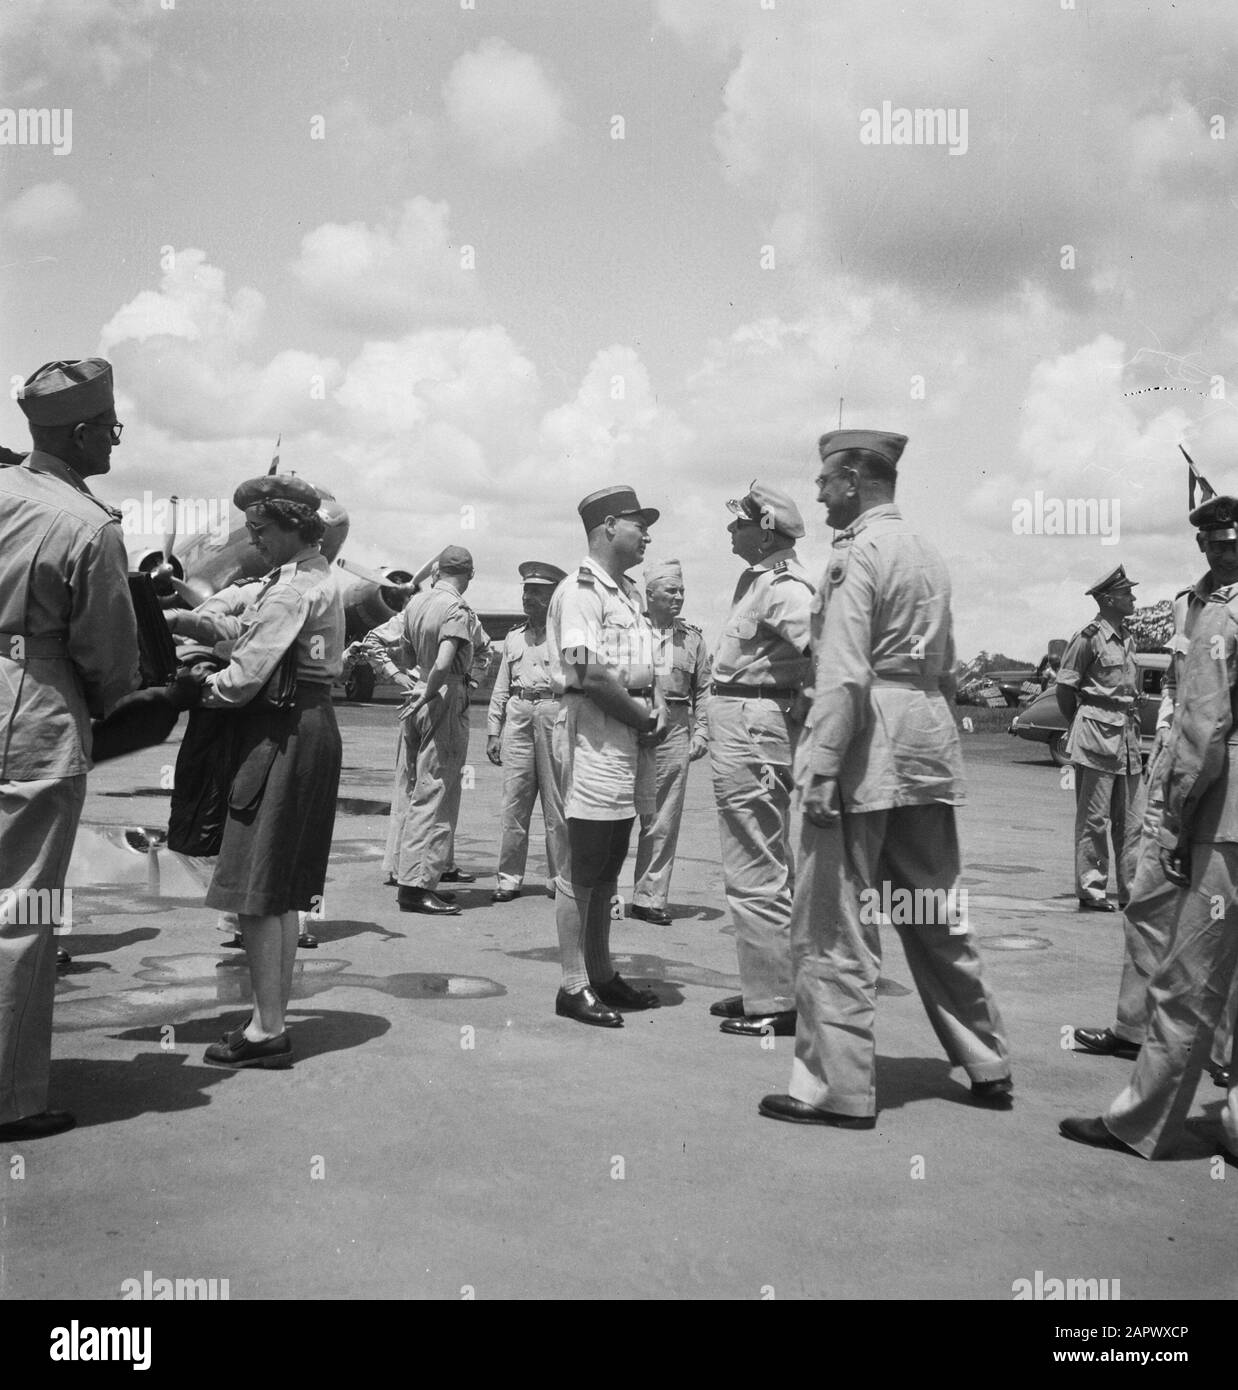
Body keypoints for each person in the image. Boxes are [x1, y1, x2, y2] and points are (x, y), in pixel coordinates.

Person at [759, 429, 1011, 1127]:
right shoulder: (927, 551)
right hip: (924, 741)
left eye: (825, 480)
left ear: (854, 480)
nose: (816, 493)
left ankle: (835, 1088)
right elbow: (951, 663)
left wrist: (820, 772)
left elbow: (844, 672)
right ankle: (986, 1059)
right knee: (934, 913)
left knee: (833, 924)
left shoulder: (856, 555)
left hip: (864, 746)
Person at [0, 359, 141, 1138]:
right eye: (110, 426)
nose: (116, 438)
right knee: (23, 913)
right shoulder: (87, 525)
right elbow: (108, 658)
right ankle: (11, 1099)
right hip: (32, 721)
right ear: (83, 431)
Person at [1060, 548, 1238, 1161]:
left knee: (1190, 974)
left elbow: (1208, 725)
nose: (1218, 553)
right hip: (1139, 751)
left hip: (1212, 802)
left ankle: (1141, 1121)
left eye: (1228, 544)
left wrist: (1179, 815)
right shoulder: (1194, 607)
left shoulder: (1220, 614)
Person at [165, 474, 344, 1069]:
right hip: (303, 727)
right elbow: (238, 620)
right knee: (277, 891)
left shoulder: (293, 590)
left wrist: (186, 690)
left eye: (262, 529)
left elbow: (243, 678)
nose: (253, 539)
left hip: (280, 731)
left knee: (256, 888)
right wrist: (182, 619)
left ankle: (268, 1031)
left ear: (294, 526)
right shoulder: (302, 579)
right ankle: (271, 1019)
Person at [546, 486, 668, 1026]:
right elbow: (590, 673)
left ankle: (600, 973)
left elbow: (646, 667)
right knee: (585, 861)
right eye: (639, 524)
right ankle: (572, 985)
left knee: (611, 859)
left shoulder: (627, 595)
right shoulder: (579, 592)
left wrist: (655, 705)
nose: (647, 534)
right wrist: (642, 717)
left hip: (625, 737)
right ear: (610, 525)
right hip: (595, 733)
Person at [707, 482, 814, 1037]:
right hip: (746, 728)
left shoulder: (785, 588)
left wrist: (802, 712)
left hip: (754, 733)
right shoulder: (757, 583)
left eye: (739, 521)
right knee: (760, 863)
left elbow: (826, 652)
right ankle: (766, 987)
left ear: (765, 528)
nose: (731, 529)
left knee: (757, 868)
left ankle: (775, 1002)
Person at [363, 546, 478, 916]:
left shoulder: (415, 604)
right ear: (469, 575)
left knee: (414, 788)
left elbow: (402, 652)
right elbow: (445, 662)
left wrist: (408, 684)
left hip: (417, 695)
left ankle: (406, 872)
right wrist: (431, 691)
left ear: (437, 571)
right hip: (441, 697)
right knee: (436, 790)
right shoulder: (457, 609)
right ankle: (417, 887)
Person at [1056, 566, 1145, 911]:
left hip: (1127, 737)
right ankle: (1092, 891)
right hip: (1097, 737)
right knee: (1094, 820)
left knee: (1133, 823)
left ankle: (1132, 891)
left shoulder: (1127, 637)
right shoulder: (1089, 637)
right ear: (1108, 599)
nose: (1133, 598)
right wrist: (1081, 724)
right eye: (1127, 594)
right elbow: (1066, 688)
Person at [630, 560, 711, 925]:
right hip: (630, 723)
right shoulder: (629, 631)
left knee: (663, 817)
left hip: (675, 727)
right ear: (650, 595)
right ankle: (593, 893)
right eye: (671, 591)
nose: (679, 597)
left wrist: (702, 731)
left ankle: (648, 898)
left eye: (681, 591)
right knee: (615, 811)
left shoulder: (692, 638)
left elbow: (705, 690)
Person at [486, 562, 569, 903]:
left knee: (556, 804)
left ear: (553, 598)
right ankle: (508, 879)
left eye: (537, 592)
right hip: (519, 715)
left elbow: (582, 682)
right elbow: (501, 687)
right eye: (526, 591)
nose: (528, 598)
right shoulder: (513, 637)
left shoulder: (569, 637)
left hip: (554, 713)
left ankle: (559, 879)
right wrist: (494, 730)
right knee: (514, 803)